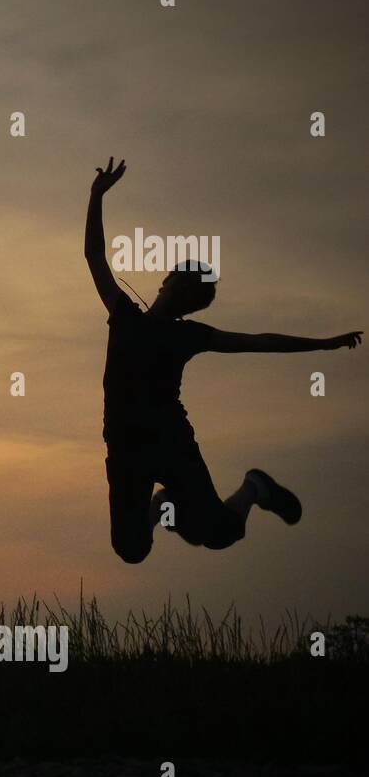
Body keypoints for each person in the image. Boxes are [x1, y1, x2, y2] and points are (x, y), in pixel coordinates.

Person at [85, 158, 361, 563]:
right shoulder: (124, 314)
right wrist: (96, 196)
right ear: (166, 282)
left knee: (218, 534)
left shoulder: (188, 336)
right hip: (125, 447)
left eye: (196, 295)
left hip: (171, 441)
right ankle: (164, 509)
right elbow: (94, 256)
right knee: (131, 549)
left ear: (194, 307)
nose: (186, 293)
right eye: (186, 282)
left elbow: (260, 342)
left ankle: (254, 487)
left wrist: (322, 344)